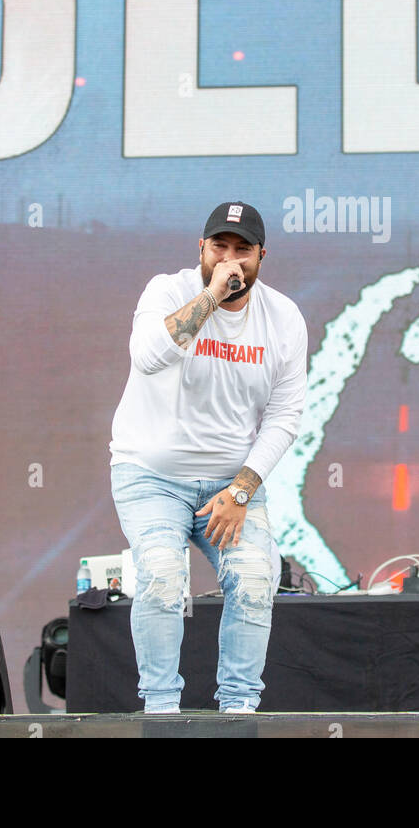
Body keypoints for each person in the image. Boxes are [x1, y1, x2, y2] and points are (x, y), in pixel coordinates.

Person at [108, 201, 307, 715]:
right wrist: (213, 297)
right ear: (201, 248)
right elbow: (147, 357)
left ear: (262, 256)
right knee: (162, 575)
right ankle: (161, 708)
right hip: (152, 475)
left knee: (256, 579)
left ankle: (239, 708)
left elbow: (284, 415)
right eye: (220, 247)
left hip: (230, 483)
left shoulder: (284, 318)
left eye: (243, 250)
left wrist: (240, 491)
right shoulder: (166, 291)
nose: (230, 259)